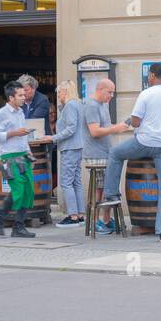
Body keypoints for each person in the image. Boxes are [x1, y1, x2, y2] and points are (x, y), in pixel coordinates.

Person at [102, 63, 161, 244]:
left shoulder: (146, 94)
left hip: (144, 142)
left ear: (152, 76)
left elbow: (135, 121)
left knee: (115, 153)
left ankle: (111, 194)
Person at [83, 78, 129, 234]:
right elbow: (94, 131)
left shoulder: (103, 105)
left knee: (107, 188)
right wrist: (116, 128)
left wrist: (117, 127)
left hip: (106, 151)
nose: (111, 96)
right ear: (100, 89)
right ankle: (95, 222)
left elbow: (106, 128)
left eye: (113, 92)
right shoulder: (91, 105)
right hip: (95, 154)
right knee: (100, 189)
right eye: (109, 92)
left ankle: (107, 220)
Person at [0, 81, 36, 238]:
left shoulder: (21, 113)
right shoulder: (1, 114)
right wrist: (14, 133)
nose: (24, 98)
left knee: (28, 191)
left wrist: (29, 153)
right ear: (11, 97)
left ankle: (18, 227)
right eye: (20, 95)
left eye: (24, 95)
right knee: (18, 190)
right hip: (8, 156)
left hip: (23, 155)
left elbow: (24, 137)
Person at [51, 81, 86, 227]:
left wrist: (53, 137)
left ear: (66, 91)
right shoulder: (77, 104)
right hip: (77, 147)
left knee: (66, 182)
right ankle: (79, 214)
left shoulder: (71, 105)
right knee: (76, 181)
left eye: (59, 92)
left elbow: (70, 128)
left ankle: (72, 216)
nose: (58, 95)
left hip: (70, 147)